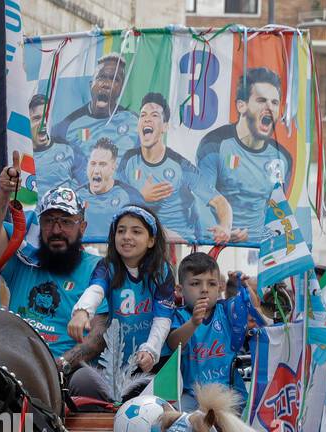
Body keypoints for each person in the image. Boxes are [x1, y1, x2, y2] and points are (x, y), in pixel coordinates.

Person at [0, 165, 107, 393]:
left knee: (88, 380)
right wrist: (4, 191)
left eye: (66, 222)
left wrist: (60, 365)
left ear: (82, 227)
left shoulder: (97, 270)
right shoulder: (24, 260)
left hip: (67, 375)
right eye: (49, 221)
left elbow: (98, 337)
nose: (56, 229)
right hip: (14, 367)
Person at [68, 205, 174, 403]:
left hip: (154, 361)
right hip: (119, 363)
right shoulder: (107, 266)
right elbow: (96, 289)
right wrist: (82, 312)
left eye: (136, 231)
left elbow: (163, 317)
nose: (126, 236)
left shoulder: (162, 271)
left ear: (151, 240)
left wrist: (150, 349)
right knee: (81, 380)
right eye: (121, 230)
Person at [194, 67, 293, 245]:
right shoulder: (214, 145)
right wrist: (224, 230)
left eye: (275, 102)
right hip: (215, 244)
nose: (269, 107)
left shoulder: (282, 158)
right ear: (242, 106)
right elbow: (201, 201)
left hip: (260, 252)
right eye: (262, 100)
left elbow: (278, 214)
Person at [165, 252, 255, 411]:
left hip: (229, 392)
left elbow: (253, 308)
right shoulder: (179, 315)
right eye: (195, 284)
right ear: (179, 290)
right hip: (192, 395)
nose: (204, 290)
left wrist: (244, 288)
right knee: (178, 418)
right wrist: (192, 323)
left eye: (211, 284)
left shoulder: (226, 310)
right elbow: (173, 343)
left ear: (220, 287)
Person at [118, 93, 200, 235]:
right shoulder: (128, 160)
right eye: (143, 115)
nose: (147, 119)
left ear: (165, 127)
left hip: (175, 242)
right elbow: (114, 198)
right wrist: (141, 197)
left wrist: (224, 226)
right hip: (139, 238)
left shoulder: (180, 165)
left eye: (154, 115)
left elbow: (215, 200)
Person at [50, 54, 136, 182]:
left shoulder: (135, 123)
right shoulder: (65, 127)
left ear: (121, 89)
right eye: (101, 77)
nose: (106, 84)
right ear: (91, 84)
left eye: (114, 79)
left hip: (120, 199)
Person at [79, 139, 141, 238]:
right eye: (93, 163)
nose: (96, 170)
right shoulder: (77, 196)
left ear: (113, 167)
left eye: (102, 164)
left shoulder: (131, 196)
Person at [28, 93, 79, 195]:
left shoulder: (67, 151)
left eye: (47, 116)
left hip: (63, 210)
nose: (44, 122)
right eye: (37, 118)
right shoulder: (24, 157)